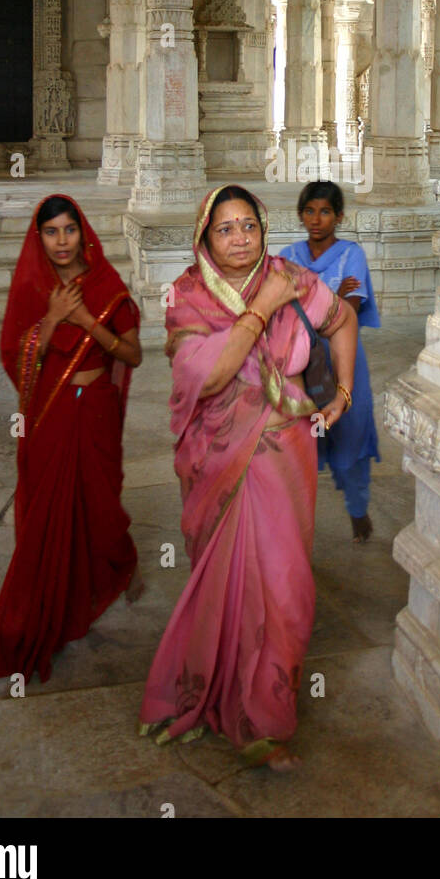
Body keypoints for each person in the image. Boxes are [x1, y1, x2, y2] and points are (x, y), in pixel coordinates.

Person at [140, 185, 357, 771]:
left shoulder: (288, 275)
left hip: (286, 455)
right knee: (227, 584)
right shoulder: (186, 296)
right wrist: (264, 305)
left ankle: (264, 716)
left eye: (249, 227)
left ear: (263, 230)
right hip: (219, 459)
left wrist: (342, 392)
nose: (240, 239)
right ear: (205, 238)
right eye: (225, 229)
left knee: (284, 586)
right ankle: (223, 697)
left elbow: (343, 319)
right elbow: (209, 377)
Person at [0, 194, 142, 684]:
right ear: (39, 238)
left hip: (94, 414)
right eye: (51, 232)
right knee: (48, 513)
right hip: (50, 417)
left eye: (69, 229)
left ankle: (100, 573)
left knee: (97, 504)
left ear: (83, 231)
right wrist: (51, 320)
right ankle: (38, 613)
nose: (61, 241)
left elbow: (132, 355)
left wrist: (86, 322)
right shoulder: (30, 286)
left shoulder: (105, 284)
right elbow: (16, 358)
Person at [281, 181, 381, 542]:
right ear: (300, 214)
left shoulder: (351, 254)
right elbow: (278, 312)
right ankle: (292, 525)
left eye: (325, 211)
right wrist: (330, 299)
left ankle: (357, 508)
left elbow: (348, 315)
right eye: (309, 211)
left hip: (343, 361)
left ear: (339, 216)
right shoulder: (287, 256)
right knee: (294, 440)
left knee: (350, 437)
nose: (316, 219)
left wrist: (310, 302)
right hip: (296, 364)